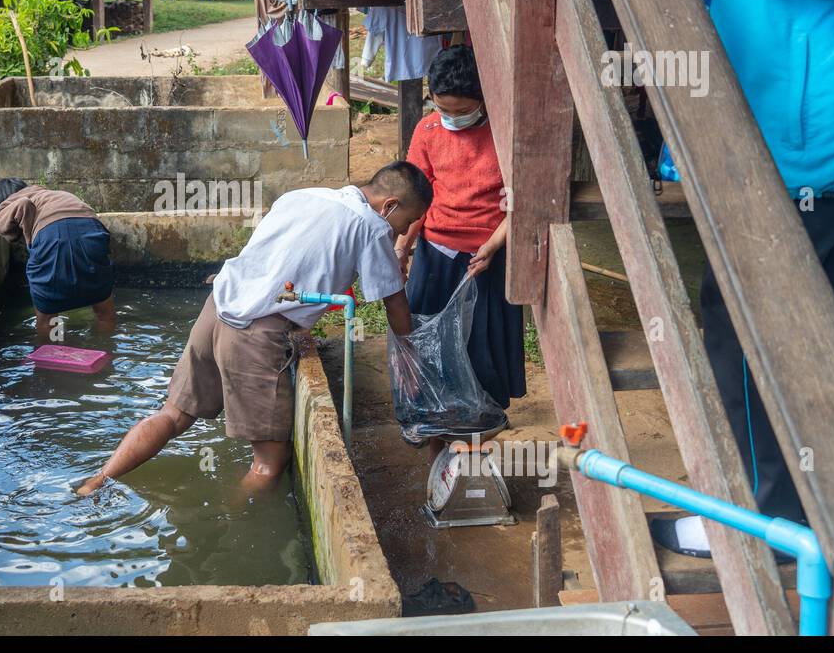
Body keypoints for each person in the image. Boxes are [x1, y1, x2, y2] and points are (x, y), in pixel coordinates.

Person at [628, 0, 834, 556]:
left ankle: (775, 529)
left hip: (811, 138)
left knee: (752, 337)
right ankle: (794, 519)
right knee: (795, 334)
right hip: (780, 123)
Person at [75, 162, 433, 497]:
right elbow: (395, 303)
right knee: (269, 465)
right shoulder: (370, 227)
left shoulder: (302, 195)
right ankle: (225, 536)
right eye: (408, 220)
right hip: (254, 333)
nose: (403, 232)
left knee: (172, 415)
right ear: (389, 204)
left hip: (217, 307)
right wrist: (410, 362)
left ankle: (97, 481)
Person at [396, 44, 525, 445]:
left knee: (481, 339)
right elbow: (418, 194)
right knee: (425, 332)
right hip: (436, 251)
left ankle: (480, 415)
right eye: (442, 108)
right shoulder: (428, 131)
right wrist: (403, 247)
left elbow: (522, 199)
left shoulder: (506, 130)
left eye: (460, 110)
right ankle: (428, 411)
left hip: (489, 251)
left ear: (484, 98)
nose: (450, 118)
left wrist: (492, 246)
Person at [0, 179, 117, 333]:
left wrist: (12, 234)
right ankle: (107, 349)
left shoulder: (9, 203)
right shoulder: (50, 194)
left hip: (52, 236)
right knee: (105, 312)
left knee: (47, 319)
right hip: (91, 231)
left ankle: (49, 352)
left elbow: (23, 204)